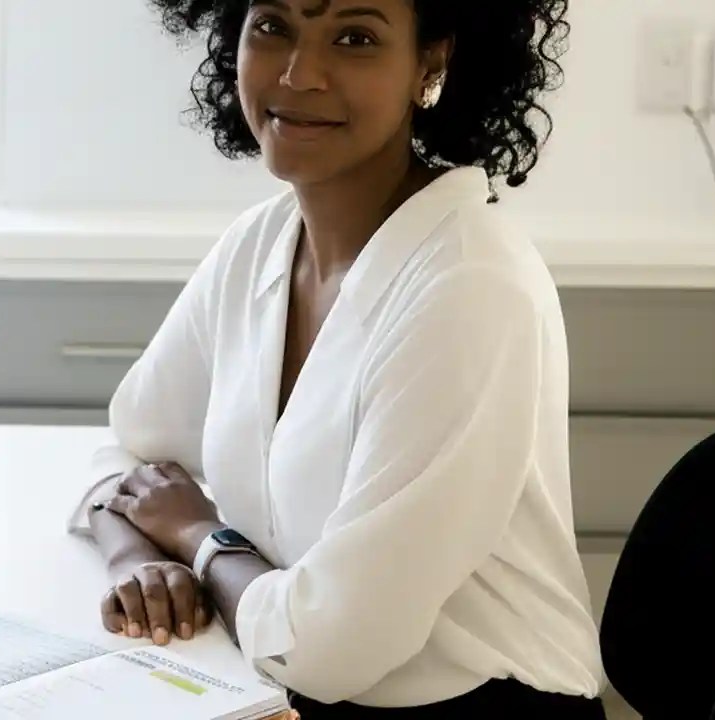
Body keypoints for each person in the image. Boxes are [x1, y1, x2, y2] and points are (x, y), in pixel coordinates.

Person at [68, 0, 608, 717]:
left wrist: (200, 537)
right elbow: (126, 455)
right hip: (281, 689)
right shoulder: (260, 243)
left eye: (354, 38)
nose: (299, 72)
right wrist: (138, 560)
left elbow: (332, 649)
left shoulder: (469, 286)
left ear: (431, 62)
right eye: (273, 27)